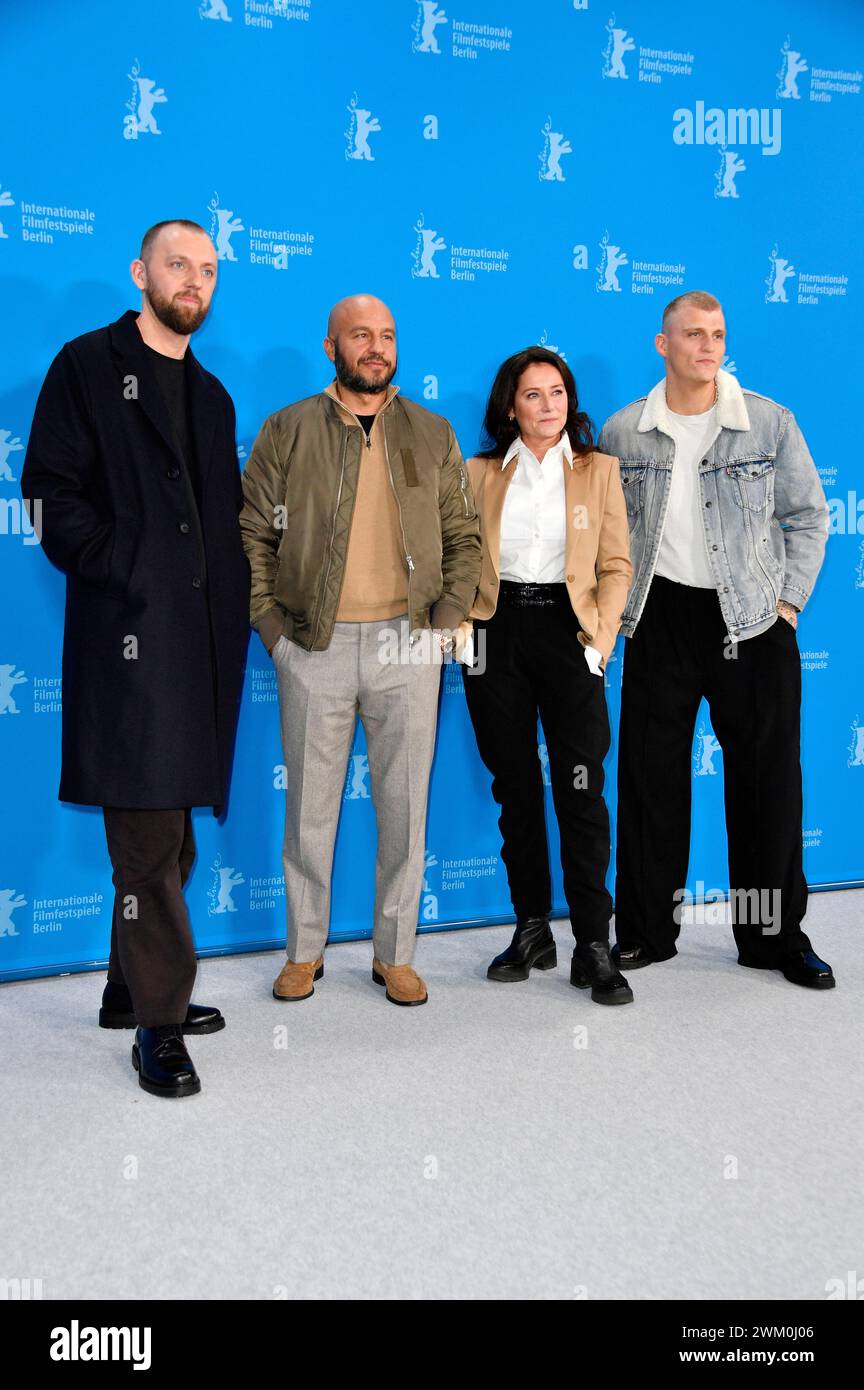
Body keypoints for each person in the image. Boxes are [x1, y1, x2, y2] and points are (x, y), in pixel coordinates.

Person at [21, 219, 251, 1097]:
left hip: (201, 648)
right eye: (177, 264)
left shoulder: (216, 395)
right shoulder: (86, 366)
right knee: (148, 848)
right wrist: (123, 565)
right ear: (140, 271)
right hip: (129, 641)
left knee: (173, 836)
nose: (193, 280)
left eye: (207, 269)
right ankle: (159, 1024)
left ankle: (128, 987)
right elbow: (48, 493)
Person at [239, 294, 481, 1006]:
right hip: (313, 643)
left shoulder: (431, 432)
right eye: (360, 336)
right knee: (310, 812)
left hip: (409, 645)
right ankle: (303, 953)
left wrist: (443, 625)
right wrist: (273, 632)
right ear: (331, 347)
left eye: (386, 336)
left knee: (405, 809)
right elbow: (253, 533)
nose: (375, 347)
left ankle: (395, 954)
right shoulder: (287, 429)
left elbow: (465, 538)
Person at [598, 290, 833, 988]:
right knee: (649, 780)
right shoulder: (623, 432)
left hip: (752, 622)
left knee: (768, 784)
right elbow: (610, 533)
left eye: (718, 334)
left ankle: (775, 939)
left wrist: (787, 604)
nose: (708, 345)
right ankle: (643, 933)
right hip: (660, 617)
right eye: (692, 334)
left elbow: (809, 516)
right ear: (662, 344)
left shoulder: (766, 422)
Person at [457, 347, 634, 1004]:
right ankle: (532, 927)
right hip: (494, 635)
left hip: (571, 635)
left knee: (581, 792)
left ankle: (593, 944)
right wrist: (458, 625)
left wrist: (603, 639)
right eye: (533, 394)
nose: (549, 405)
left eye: (557, 392)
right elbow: (455, 556)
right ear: (511, 406)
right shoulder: (478, 474)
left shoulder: (598, 471)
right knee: (516, 790)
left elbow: (616, 564)